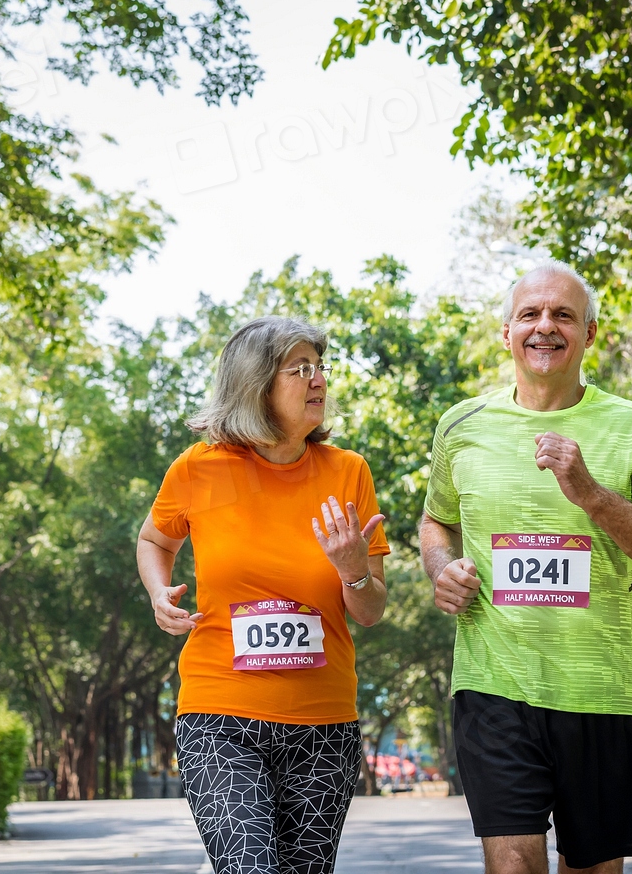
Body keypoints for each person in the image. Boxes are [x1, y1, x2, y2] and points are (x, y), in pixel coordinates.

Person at [420, 262, 632, 874]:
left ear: (590, 335)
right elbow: (434, 520)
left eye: (563, 315)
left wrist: (591, 493)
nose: (545, 327)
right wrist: (441, 568)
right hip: (492, 684)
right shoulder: (461, 427)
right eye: (530, 315)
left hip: (600, 690)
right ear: (506, 332)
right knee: (513, 866)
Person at [136, 315, 390, 874]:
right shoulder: (199, 469)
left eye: (321, 367)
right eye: (302, 369)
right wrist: (159, 592)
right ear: (256, 384)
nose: (319, 379)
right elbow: (155, 537)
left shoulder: (349, 473)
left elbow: (370, 611)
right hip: (219, 714)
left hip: (324, 724)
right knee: (250, 866)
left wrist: (353, 571)